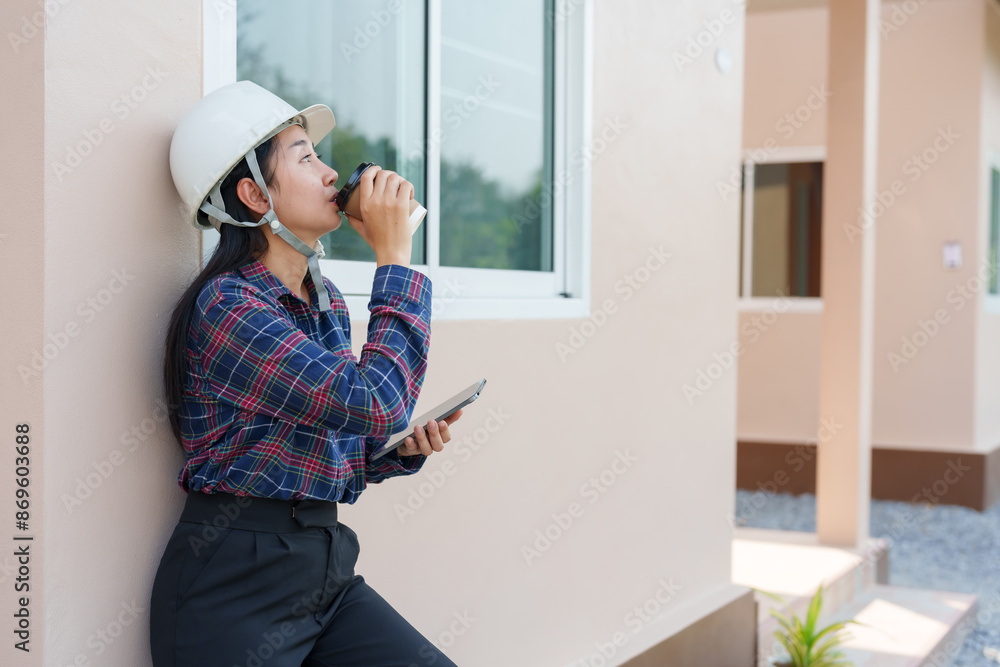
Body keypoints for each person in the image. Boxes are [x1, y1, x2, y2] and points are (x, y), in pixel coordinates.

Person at [149, 80, 462, 666]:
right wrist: (394, 259)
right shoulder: (230, 308)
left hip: (324, 567)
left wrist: (397, 449)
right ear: (255, 194)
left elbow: (349, 440)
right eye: (306, 157)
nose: (329, 173)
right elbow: (376, 402)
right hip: (236, 583)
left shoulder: (324, 304)